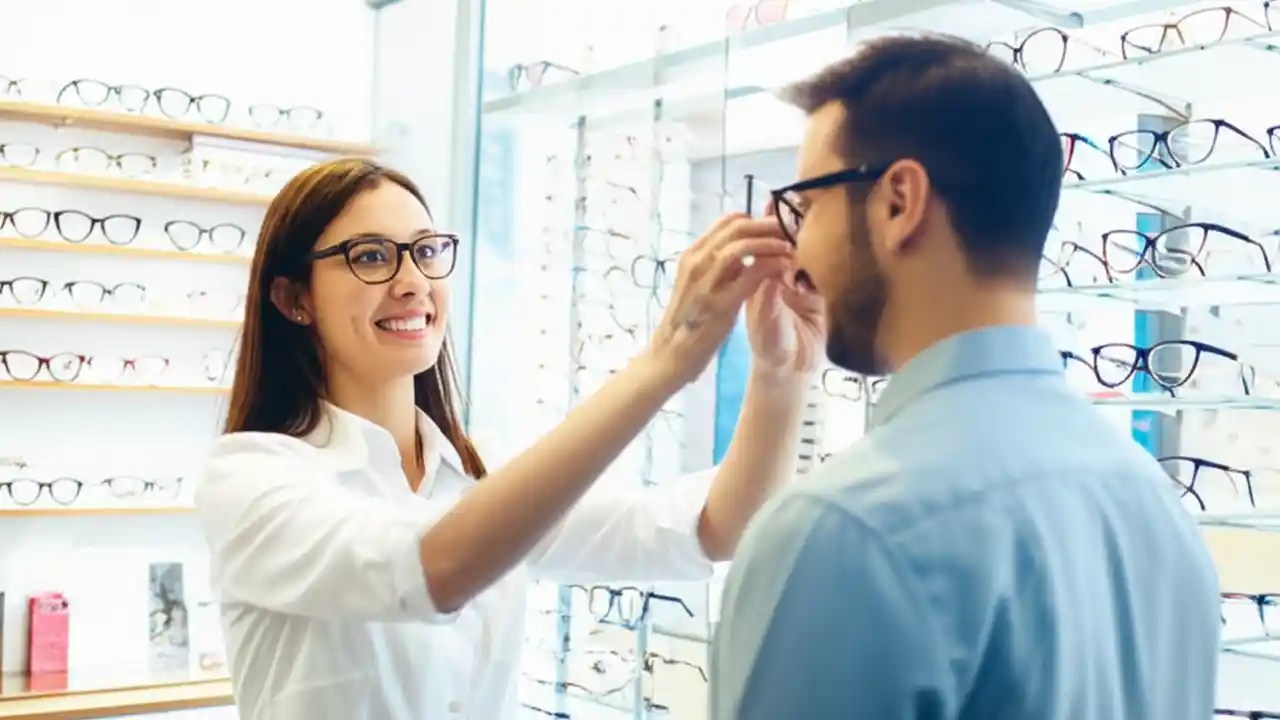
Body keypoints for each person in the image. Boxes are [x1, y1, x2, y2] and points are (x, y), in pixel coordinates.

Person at [194, 157, 824, 720]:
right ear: (293, 298)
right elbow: (430, 568)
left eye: (426, 251)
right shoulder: (250, 477)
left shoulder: (482, 472)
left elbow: (713, 529)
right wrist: (663, 364)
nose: (413, 280)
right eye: (371, 256)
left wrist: (783, 373)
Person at [709, 34, 1220, 719]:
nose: (795, 253)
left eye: (806, 206)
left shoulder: (846, 529)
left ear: (899, 202)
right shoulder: (1154, 507)